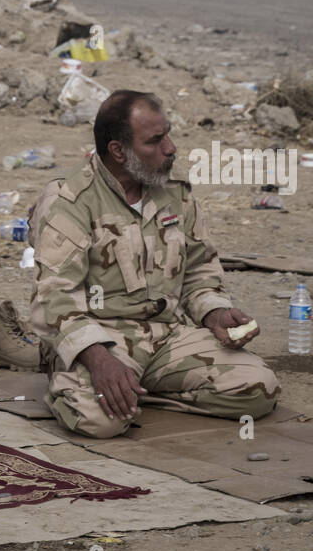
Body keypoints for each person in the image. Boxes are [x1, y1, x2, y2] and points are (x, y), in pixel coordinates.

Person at [29, 90, 280, 437]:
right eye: (155, 141)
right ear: (119, 150)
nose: (171, 148)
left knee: (257, 389)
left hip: (169, 336)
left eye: (168, 134)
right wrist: (99, 359)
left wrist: (215, 313)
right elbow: (54, 297)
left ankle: (137, 394)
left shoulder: (175, 192)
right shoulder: (70, 200)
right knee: (98, 421)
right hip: (102, 339)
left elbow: (199, 271)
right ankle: (86, 384)